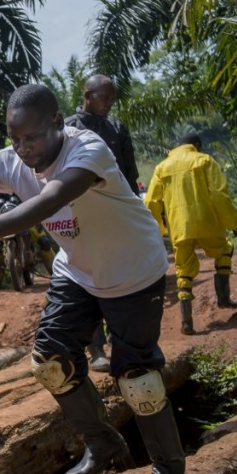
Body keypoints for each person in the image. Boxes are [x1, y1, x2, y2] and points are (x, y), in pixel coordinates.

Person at [0, 83, 184, 474]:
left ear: (58, 124)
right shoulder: (7, 161)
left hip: (132, 270)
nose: (23, 148)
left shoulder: (87, 149)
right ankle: (103, 441)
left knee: (137, 379)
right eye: (15, 138)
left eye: (33, 137)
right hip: (78, 271)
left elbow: (53, 197)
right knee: (51, 362)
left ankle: (169, 469)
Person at [65, 74, 141, 372]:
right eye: (104, 98)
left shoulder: (117, 129)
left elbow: (129, 172)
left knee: (120, 279)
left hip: (116, 215)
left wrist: (134, 210)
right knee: (91, 278)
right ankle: (96, 348)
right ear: (88, 94)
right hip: (81, 216)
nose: (109, 104)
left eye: (112, 99)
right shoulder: (68, 128)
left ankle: (120, 344)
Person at [144, 133, 237, 334]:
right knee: (224, 251)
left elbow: (151, 203)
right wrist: (232, 222)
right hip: (208, 223)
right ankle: (223, 299)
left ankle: (187, 321)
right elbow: (219, 194)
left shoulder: (162, 167)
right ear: (196, 145)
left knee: (183, 271)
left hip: (180, 228)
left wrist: (159, 229)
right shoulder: (204, 160)